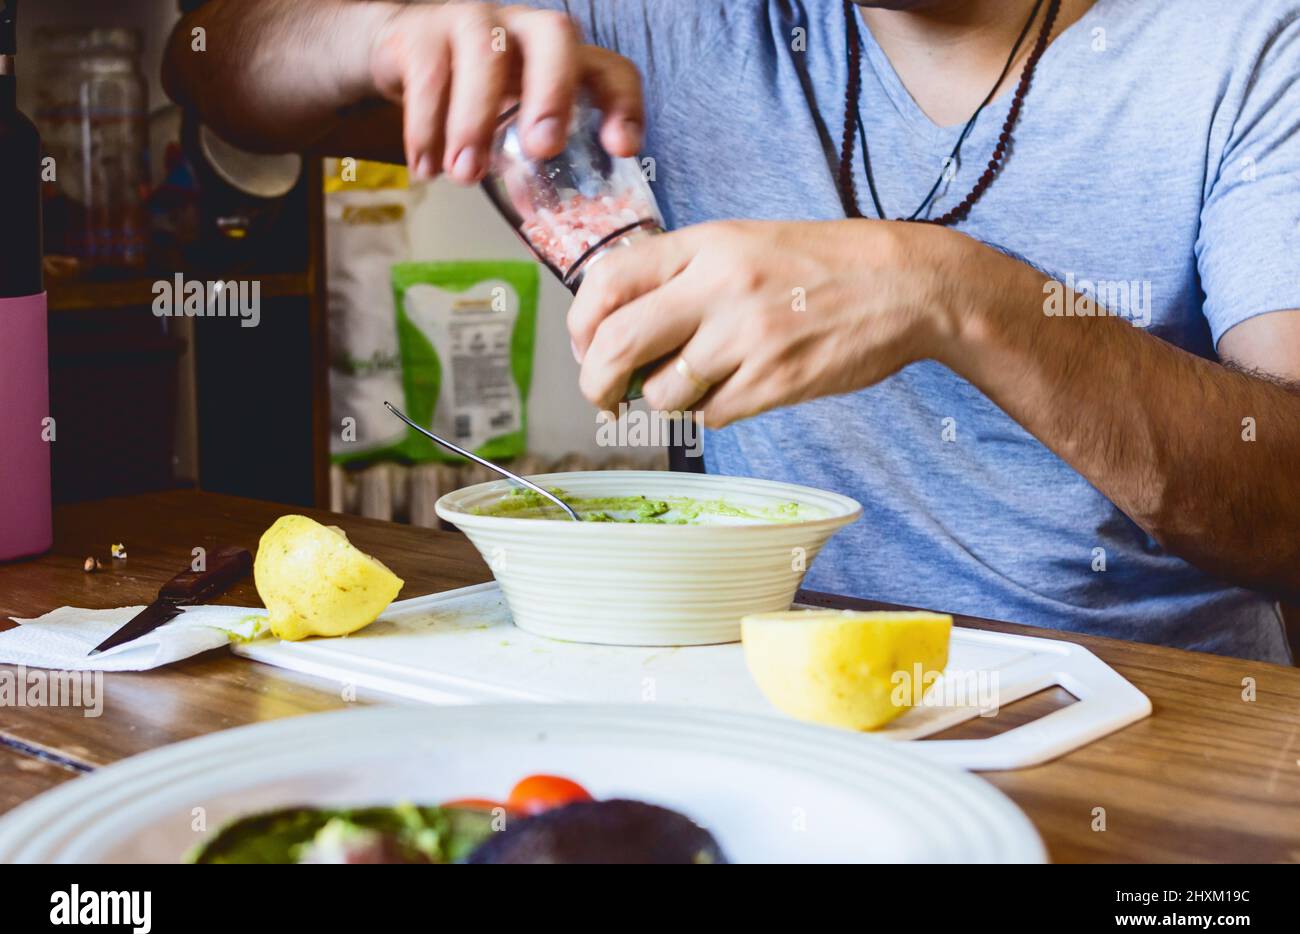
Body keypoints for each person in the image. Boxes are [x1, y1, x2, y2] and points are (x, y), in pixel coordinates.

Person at [163, 0, 1300, 662]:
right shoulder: (674, 19)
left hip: (1151, 732)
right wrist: (384, 33)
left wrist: (952, 296)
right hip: (754, 699)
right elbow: (212, 67)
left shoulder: (1247, 44)